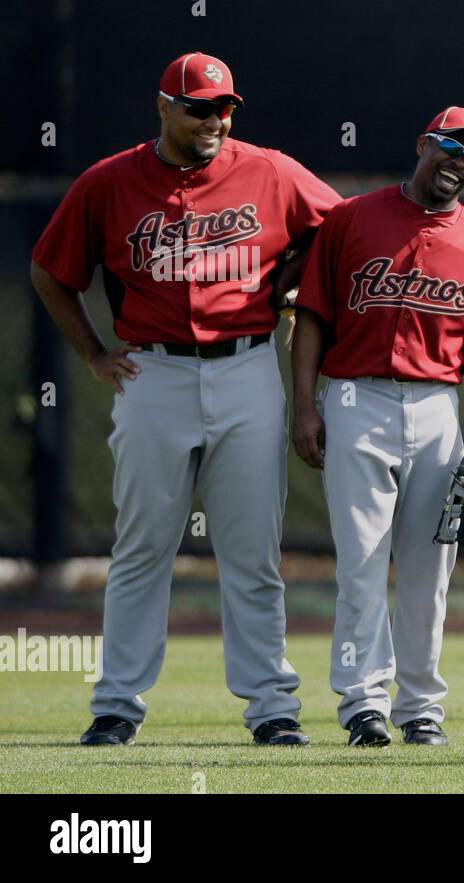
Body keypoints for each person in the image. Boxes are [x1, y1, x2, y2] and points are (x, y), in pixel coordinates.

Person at [30, 51, 340, 746]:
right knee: (143, 545)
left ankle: (272, 707)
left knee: (253, 549)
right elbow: (51, 271)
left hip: (248, 366)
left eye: (225, 106)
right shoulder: (109, 182)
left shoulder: (269, 170)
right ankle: (116, 703)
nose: (214, 119)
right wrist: (92, 352)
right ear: (163, 107)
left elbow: (338, 229)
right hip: (153, 374)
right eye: (199, 106)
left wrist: (293, 277)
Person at [292, 107, 464, 747]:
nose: (461, 163)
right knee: (361, 563)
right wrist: (303, 406)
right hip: (356, 398)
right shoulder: (350, 219)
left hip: (435, 408)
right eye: (453, 146)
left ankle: (420, 706)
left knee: (429, 569)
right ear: (424, 143)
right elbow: (310, 317)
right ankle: (363, 702)